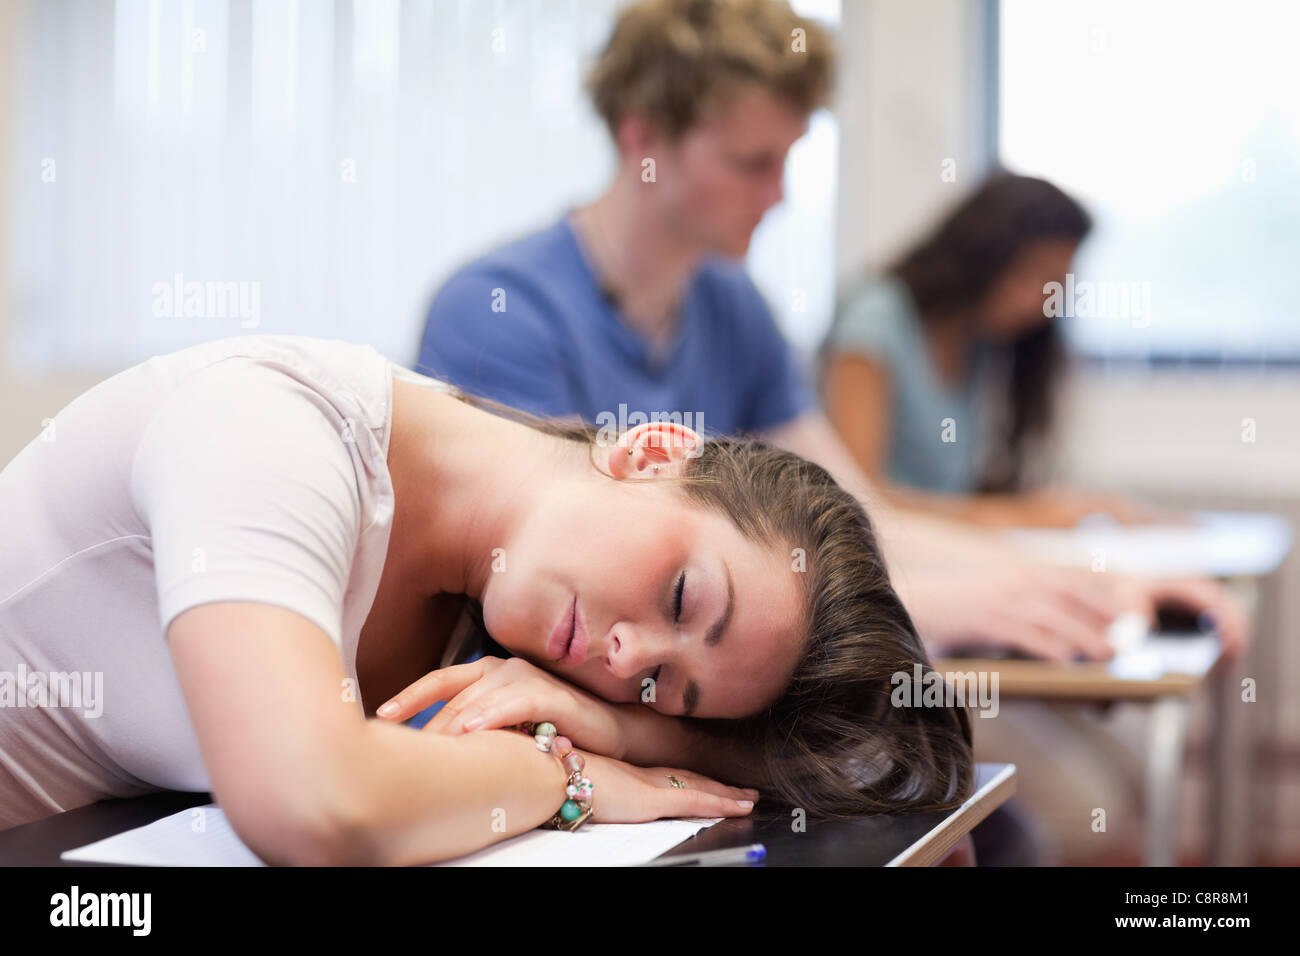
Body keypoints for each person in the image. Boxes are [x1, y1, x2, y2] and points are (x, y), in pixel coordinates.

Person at [414, 0, 1247, 865]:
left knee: (985, 834)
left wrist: (1072, 581)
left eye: (788, 162)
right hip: (563, 770)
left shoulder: (730, 307)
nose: (778, 195)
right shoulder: (502, 313)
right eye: (753, 162)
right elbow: (559, 644)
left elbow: (857, 514)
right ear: (644, 142)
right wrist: (948, 605)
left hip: (689, 740)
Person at [0, 333, 973, 863]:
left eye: (663, 687)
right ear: (653, 449)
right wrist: (570, 780)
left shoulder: (491, 592)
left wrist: (618, 727)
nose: (630, 659)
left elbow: (861, 758)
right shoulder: (272, 435)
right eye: (682, 597)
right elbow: (311, 802)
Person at [821, 171, 1165, 528]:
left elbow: (955, 493)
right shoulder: (875, 320)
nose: (1039, 303)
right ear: (984, 253)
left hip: (945, 550)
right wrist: (1017, 515)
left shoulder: (981, 342)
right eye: (1034, 276)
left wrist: (1083, 509)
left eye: (1055, 288)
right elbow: (856, 499)